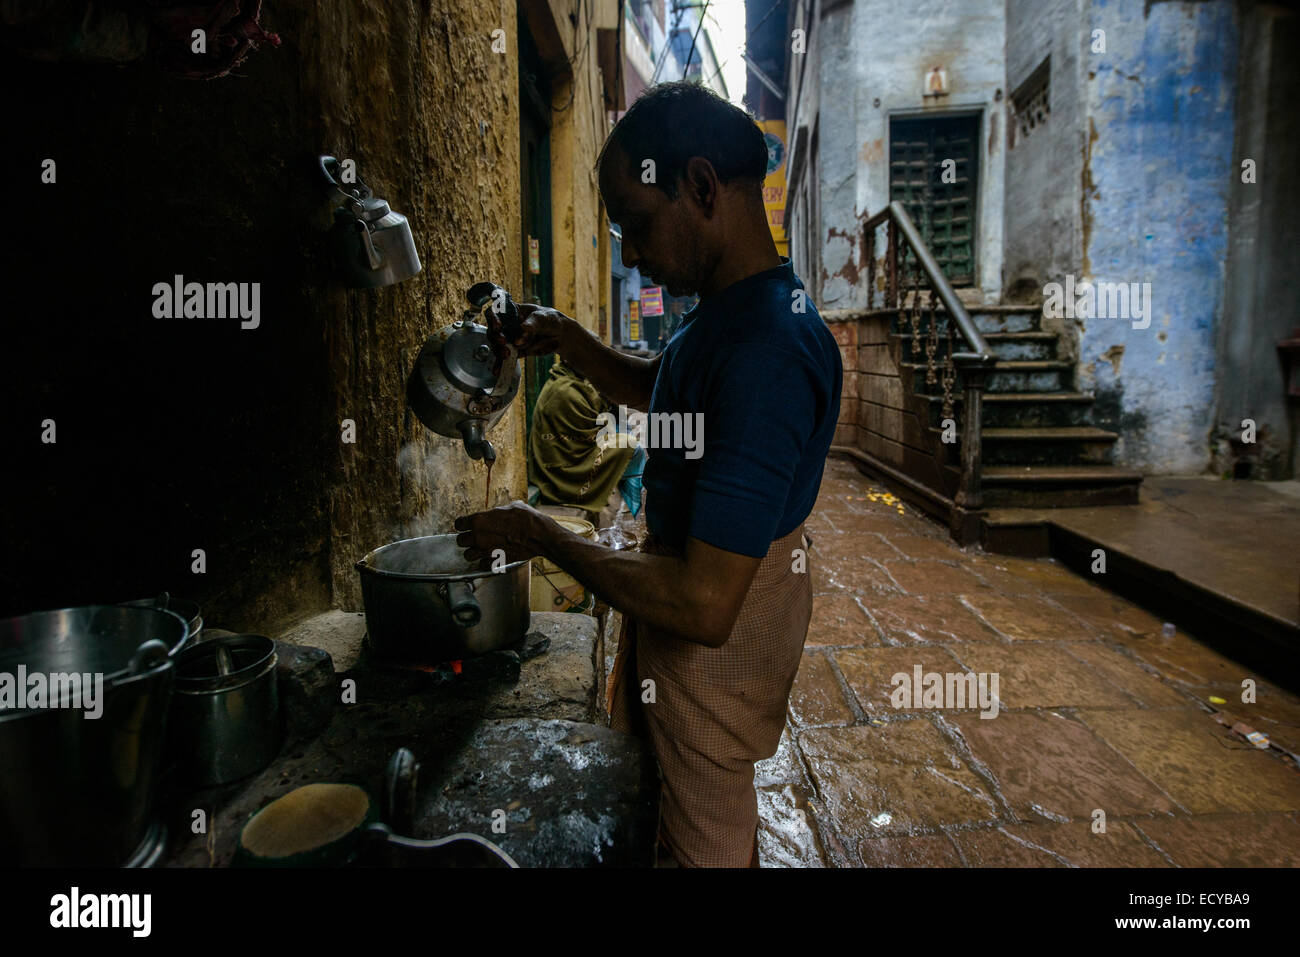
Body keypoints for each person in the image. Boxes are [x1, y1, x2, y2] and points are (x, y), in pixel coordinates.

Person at [455, 81, 841, 867]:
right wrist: (566, 337)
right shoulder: (734, 308)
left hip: (717, 647)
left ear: (700, 186)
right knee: (652, 808)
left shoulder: (767, 354)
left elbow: (704, 604)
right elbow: (662, 386)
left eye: (635, 223)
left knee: (704, 835)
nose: (629, 253)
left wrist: (540, 534)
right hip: (689, 616)